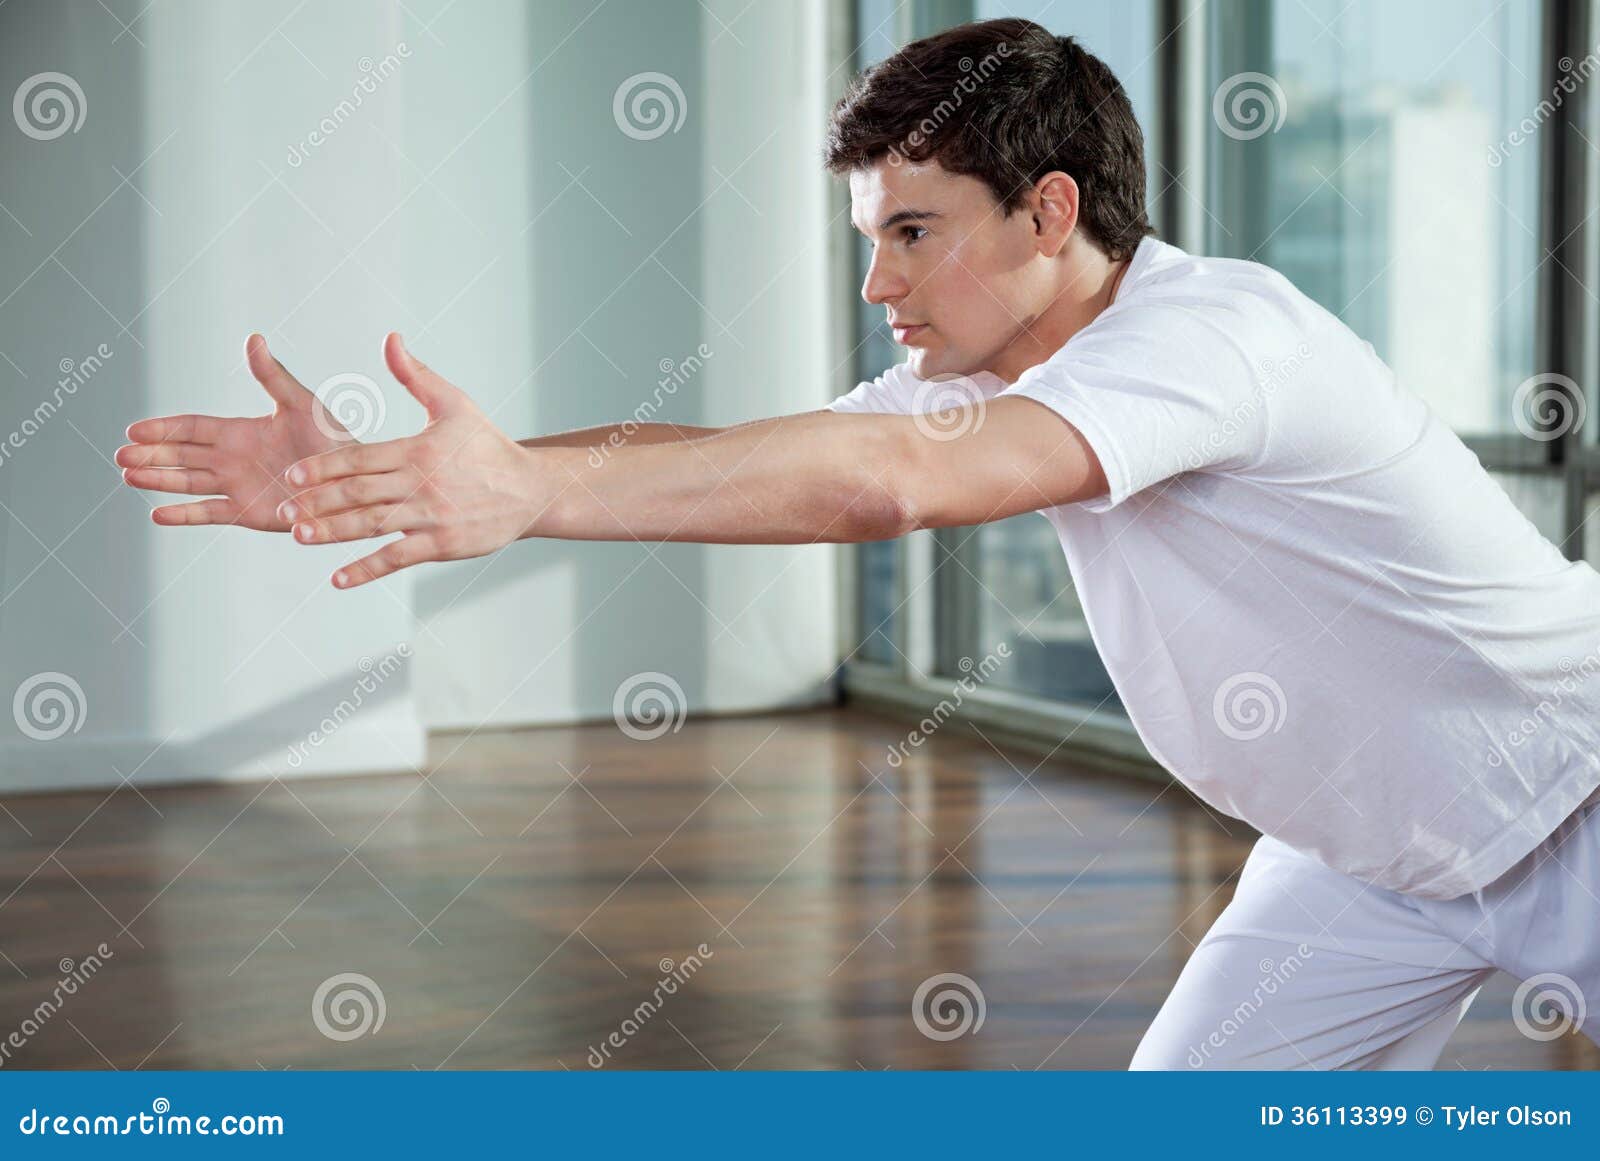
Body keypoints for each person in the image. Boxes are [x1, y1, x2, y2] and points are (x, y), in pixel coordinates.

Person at [116, 17, 1600, 1068]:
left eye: (913, 232)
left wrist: (525, 495)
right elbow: (766, 453)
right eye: (867, 239)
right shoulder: (986, 370)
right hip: (1365, 856)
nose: (879, 279)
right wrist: (483, 473)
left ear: (1050, 211)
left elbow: (891, 483)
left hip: (1573, 796)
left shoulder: (1211, 336)